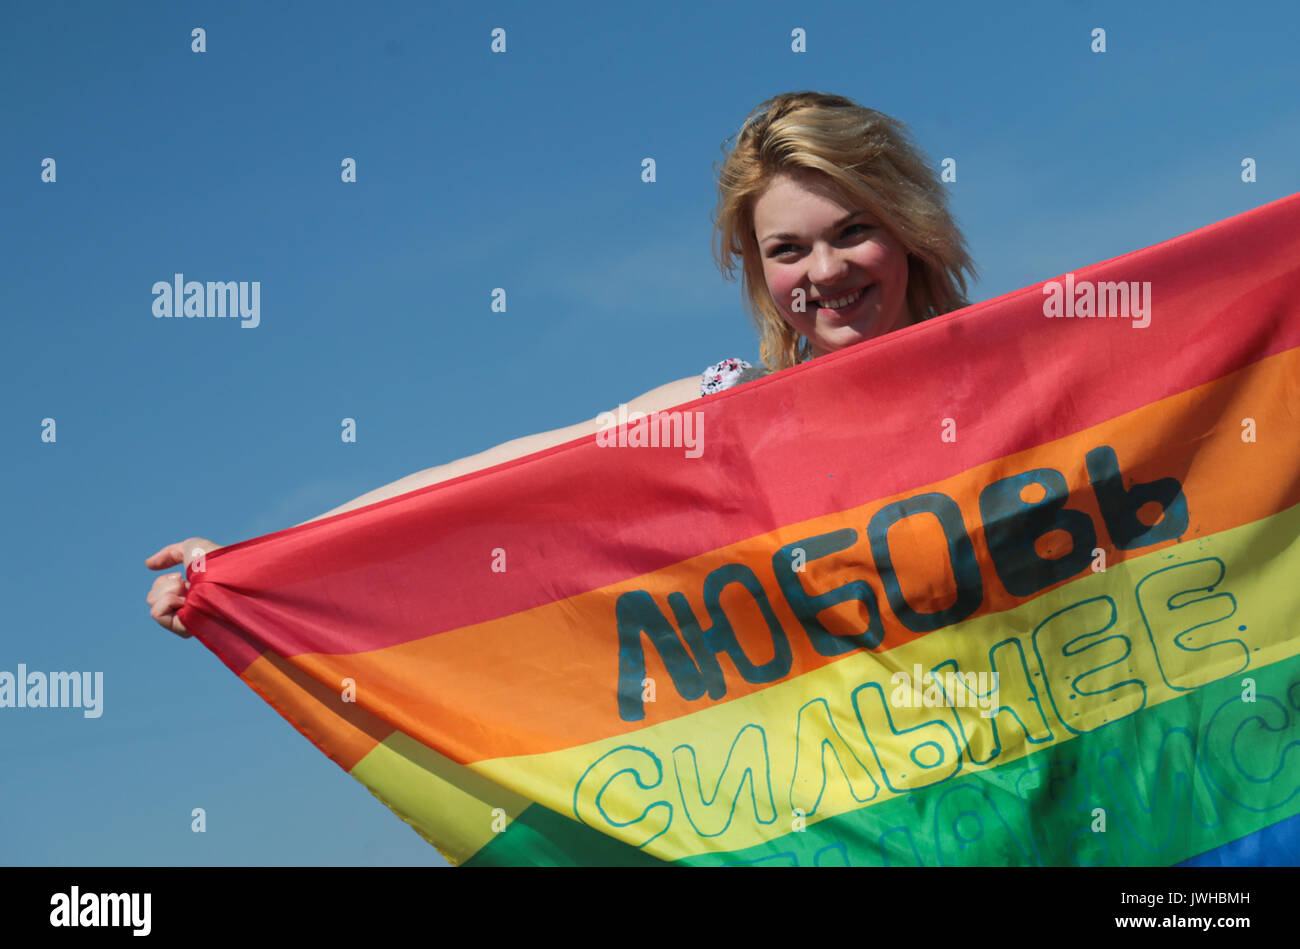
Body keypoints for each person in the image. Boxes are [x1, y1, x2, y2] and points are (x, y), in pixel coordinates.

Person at [146, 90, 977, 638]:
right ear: (760, 272)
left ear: (907, 224)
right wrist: (250, 562)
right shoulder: (727, 411)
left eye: (850, 231)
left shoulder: (1023, 374)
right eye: (787, 250)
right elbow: (488, 482)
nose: (825, 273)